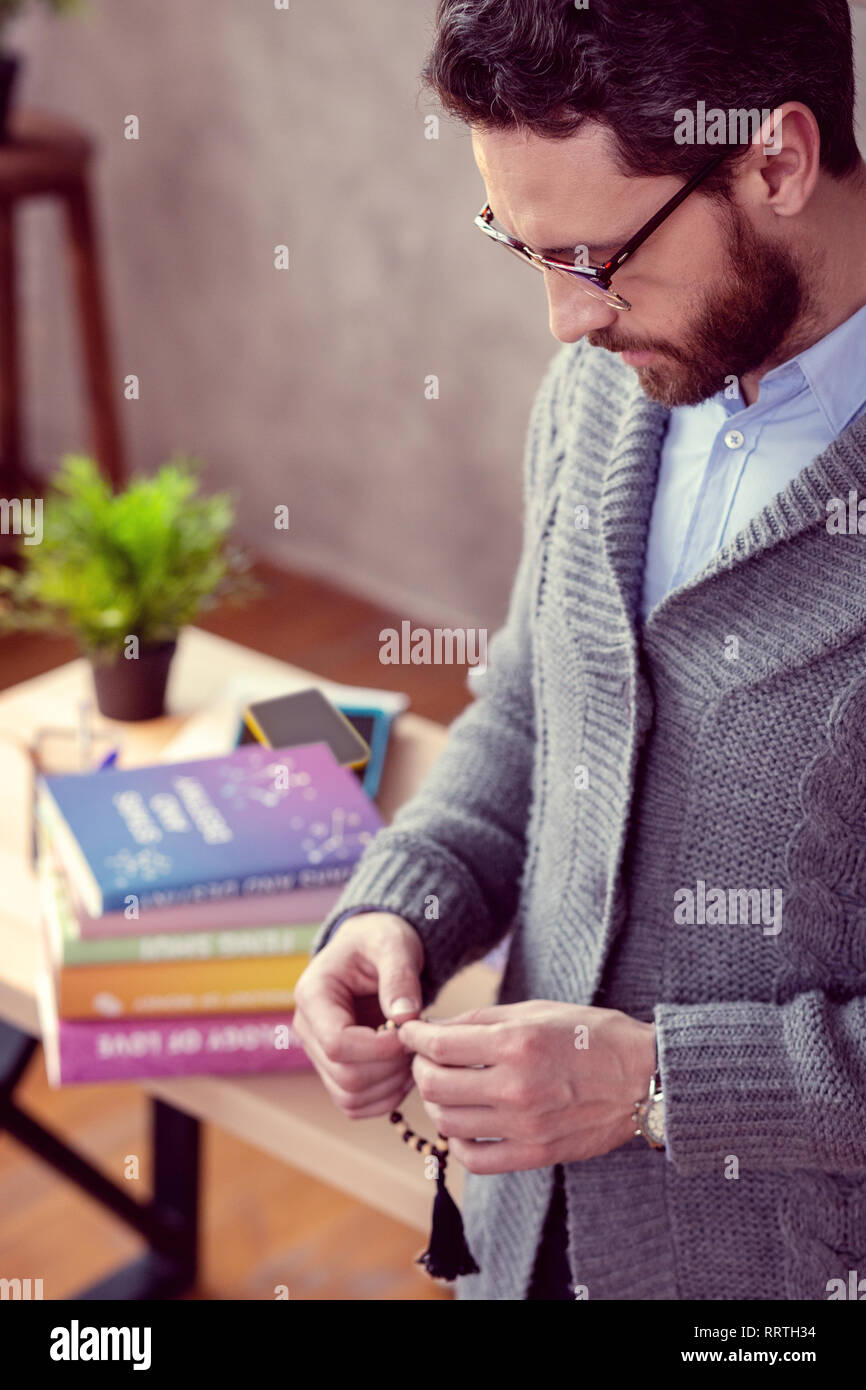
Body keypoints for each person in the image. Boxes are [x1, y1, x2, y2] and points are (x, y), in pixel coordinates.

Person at [293, 0, 866, 1301]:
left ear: (772, 160)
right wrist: (403, 897)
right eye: (523, 248)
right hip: (524, 1237)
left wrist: (657, 1083)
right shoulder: (615, 379)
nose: (562, 319)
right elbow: (540, 697)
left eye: (595, 255)